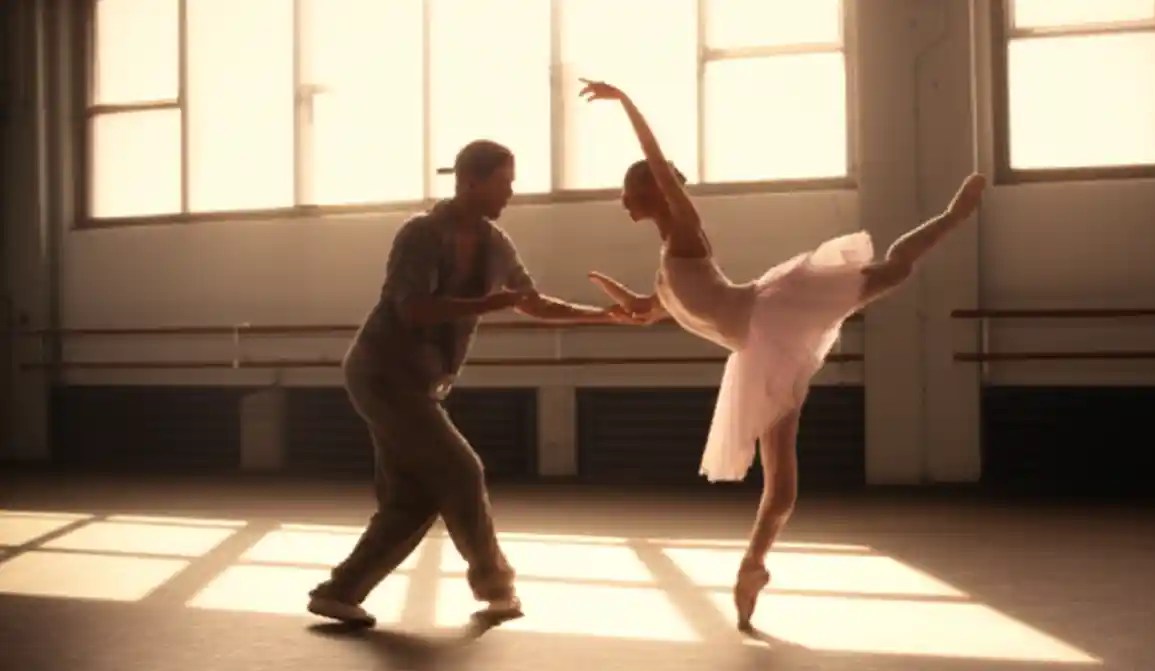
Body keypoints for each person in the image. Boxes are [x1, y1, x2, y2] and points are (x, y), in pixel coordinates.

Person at [577, 79, 986, 630]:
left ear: (653, 188)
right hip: (756, 349)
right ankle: (753, 565)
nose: (620, 200)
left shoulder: (686, 231)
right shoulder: (668, 264)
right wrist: (627, 305)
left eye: (628, 190)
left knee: (891, 270)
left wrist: (625, 102)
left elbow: (653, 157)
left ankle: (955, 216)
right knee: (780, 481)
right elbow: (657, 308)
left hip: (774, 313)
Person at [308, 139, 640, 628]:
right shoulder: (420, 234)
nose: (510, 193)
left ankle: (340, 591)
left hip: (417, 382)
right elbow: (412, 308)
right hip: (381, 371)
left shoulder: (494, 244)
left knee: (412, 498)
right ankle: (496, 586)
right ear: (470, 182)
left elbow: (530, 301)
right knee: (462, 470)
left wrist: (604, 318)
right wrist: (490, 304)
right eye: (503, 182)